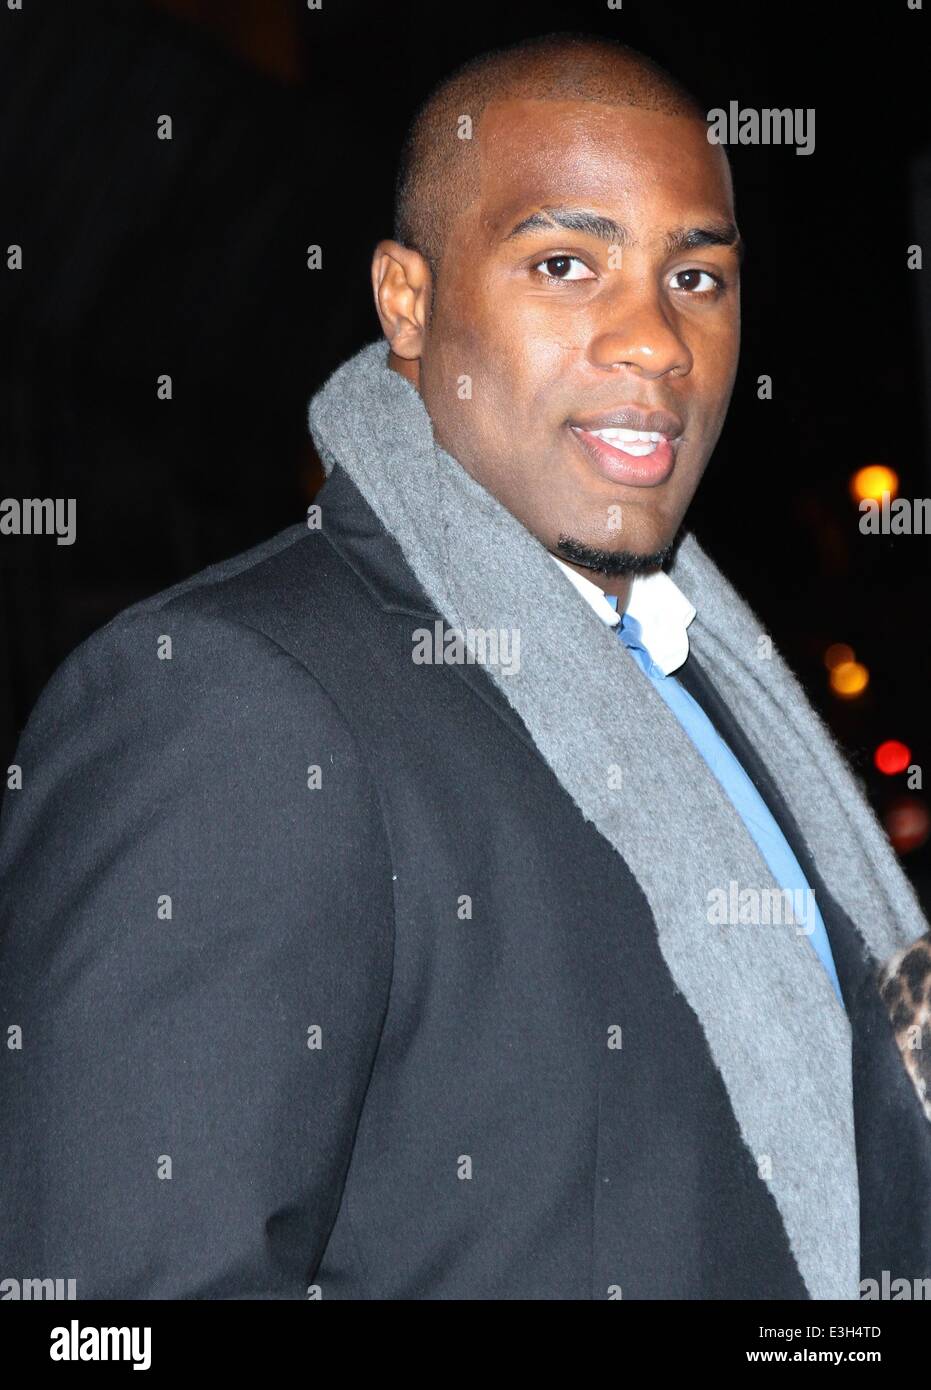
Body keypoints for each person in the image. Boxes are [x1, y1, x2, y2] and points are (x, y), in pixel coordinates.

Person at [1, 32, 929, 1301]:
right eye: (565, 264)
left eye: (696, 279)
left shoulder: (722, 682)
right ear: (409, 302)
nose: (655, 341)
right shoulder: (230, 701)